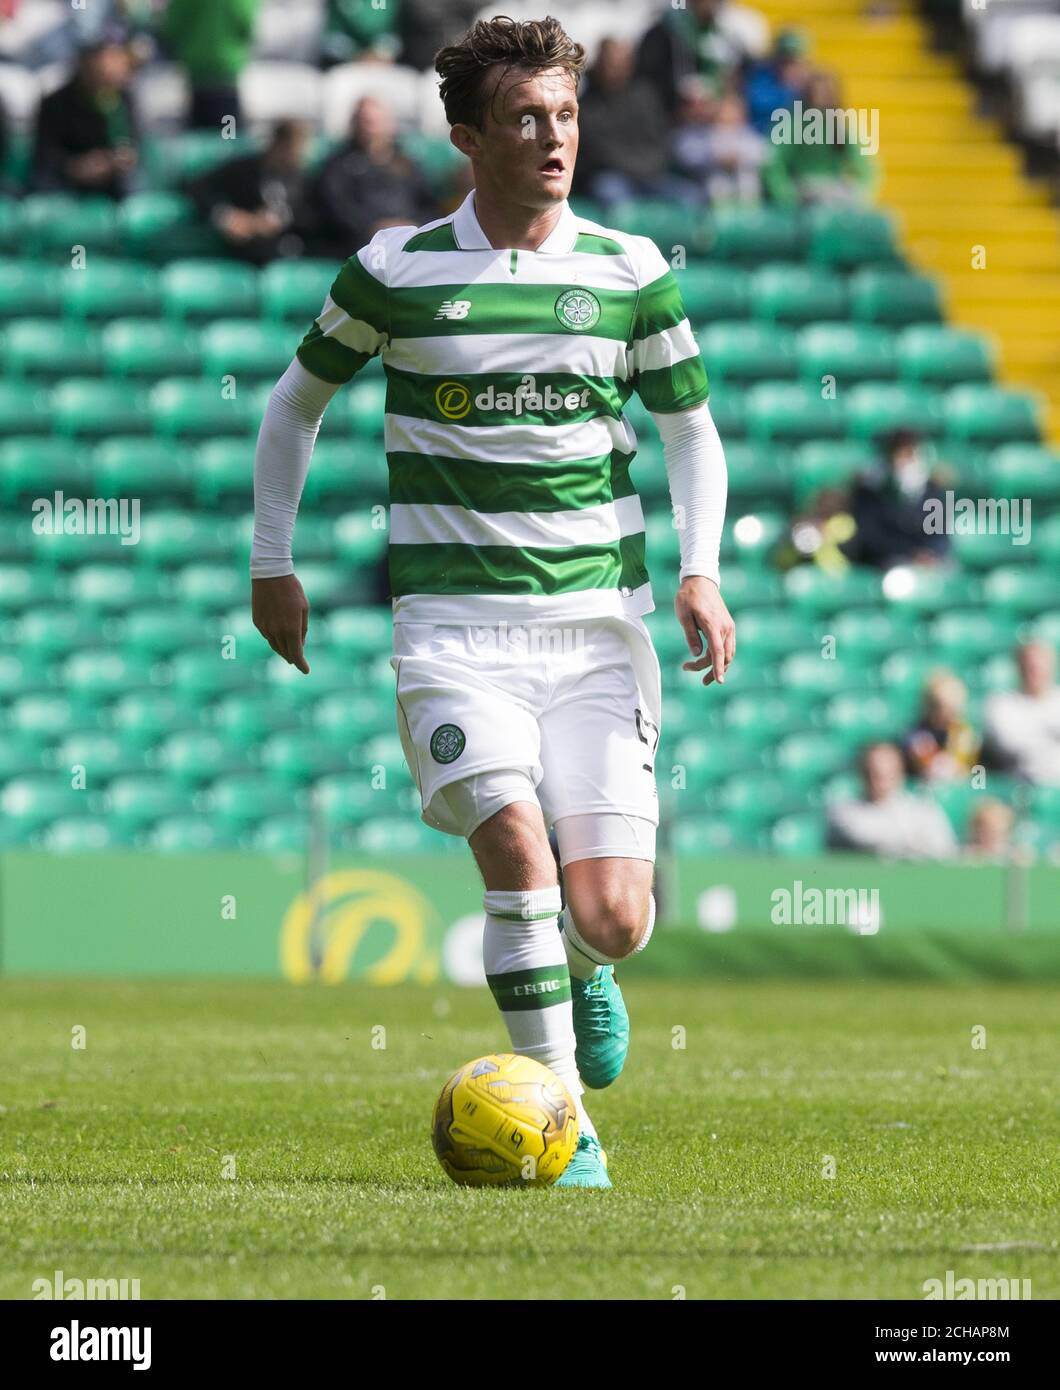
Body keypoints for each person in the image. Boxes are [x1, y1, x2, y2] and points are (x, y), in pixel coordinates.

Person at [250, 15, 733, 1189]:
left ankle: (586, 962)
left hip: (597, 630)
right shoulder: (395, 271)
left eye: (564, 113)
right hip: (455, 635)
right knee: (513, 850)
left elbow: (689, 430)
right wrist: (274, 561)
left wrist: (699, 566)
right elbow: (290, 407)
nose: (552, 136)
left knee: (613, 914)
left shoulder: (630, 271)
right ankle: (565, 1128)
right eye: (524, 117)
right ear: (468, 136)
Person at [310, 97, 436, 259]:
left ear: (390, 124)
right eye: (364, 121)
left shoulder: (407, 164)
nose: (369, 128)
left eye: (374, 122)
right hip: (358, 249)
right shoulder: (338, 166)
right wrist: (375, 227)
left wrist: (411, 225)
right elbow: (335, 209)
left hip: (410, 244)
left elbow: (428, 206)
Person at [573, 37, 689, 210]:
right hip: (612, 176)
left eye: (622, 62)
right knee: (612, 193)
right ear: (600, 63)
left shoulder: (645, 97)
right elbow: (597, 153)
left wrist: (648, 168)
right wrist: (634, 168)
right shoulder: (586, 105)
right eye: (611, 63)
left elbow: (660, 141)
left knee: (690, 196)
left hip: (651, 175)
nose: (616, 69)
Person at [185, 119, 314, 265]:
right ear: (278, 144)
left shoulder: (299, 176)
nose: (298, 157)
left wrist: (277, 219)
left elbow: (306, 213)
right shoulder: (243, 169)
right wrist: (226, 217)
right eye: (292, 150)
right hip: (243, 248)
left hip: (288, 247)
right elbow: (196, 186)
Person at [31, 32, 138, 198]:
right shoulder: (55, 102)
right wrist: (74, 167)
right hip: (65, 184)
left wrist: (116, 161)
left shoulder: (123, 100)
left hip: (113, 185)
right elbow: (44, 153)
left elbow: (132, 144)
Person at [763, 69, 878, 207]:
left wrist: (861, 192)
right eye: (818, 92)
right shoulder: (793, 125)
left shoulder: (842, 125)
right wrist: (785, 195)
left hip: (834, 190)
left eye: (828, 93)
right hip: (803, 190)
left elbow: (864, 165)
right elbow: (774, 165)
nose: (823, 98)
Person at [827, 742, 958, 860]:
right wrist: (915, 843)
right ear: (862, 773)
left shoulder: (924, 810)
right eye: (872, 772)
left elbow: (945, 851)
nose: (878, 780)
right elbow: (867, 841)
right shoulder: (844, 812)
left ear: (900, 772)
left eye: (887, 772)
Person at [842, 428, 950, 570]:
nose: (904, 461)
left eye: (910, 454)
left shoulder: (932, 491)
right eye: (900, 453)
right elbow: (870, 536)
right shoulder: (869, 491)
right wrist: (910, 554)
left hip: (926, 563)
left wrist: (930, 554)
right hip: (884, 563)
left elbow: (940, 535)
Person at [636, 0, 752, 115]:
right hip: (675, 116)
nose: (709, 4)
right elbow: (650, 82)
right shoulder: (665, 33)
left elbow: (734, 77)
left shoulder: (724, 33)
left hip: (715, 115)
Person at [159, 0, 260, 131]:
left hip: (197, 80)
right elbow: (248, 25)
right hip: (227, 80)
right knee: (229, 139)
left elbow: (171, 27)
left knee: (199, 143)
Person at [984, 642, 1060, 786]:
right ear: (1019, 667)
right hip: (1020, 784)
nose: (1035, 671)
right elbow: (1009, 745)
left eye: (1040, 665)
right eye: (1030, 666)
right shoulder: (1001, 704)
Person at [903, 670, 980, 783]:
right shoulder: (916, 735)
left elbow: (976, 775)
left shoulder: (964, 733)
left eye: (954, 709)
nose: (951, 715)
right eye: (945, 709)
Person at [745, 27, 809, 134]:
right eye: (784, 57)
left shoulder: (811, 87)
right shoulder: (758, 80)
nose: (788, 63)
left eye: (793, 59)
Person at [964, 799, 1015, 863]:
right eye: (985, 832)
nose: (991, 836)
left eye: (997, 833)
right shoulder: (968, 853)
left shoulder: (1011, 853)